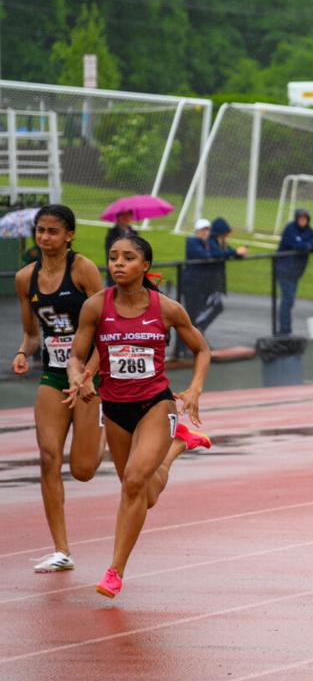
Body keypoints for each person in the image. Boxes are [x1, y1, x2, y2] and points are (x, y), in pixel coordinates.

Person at [67, 233, 212, 599]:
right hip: (114, 409)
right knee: (142, 495)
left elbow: (201, 349)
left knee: (133, 482)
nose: (118, 263)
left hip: (155, 404)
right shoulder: (96, 307)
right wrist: (76, 376)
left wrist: (194, 388)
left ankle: (115, 570)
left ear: (145, 265)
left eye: (128, 257)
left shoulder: (166, 309)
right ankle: (178, 446)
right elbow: (76, 355)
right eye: (113, 257)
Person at [11, 204, 107, 573]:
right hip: (53, 374)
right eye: (40, 230)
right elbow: (33, 333)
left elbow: (107, 326)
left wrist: (86, 373)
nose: (44, 238)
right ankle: (61, 550)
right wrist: (23, 352)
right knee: (49, 457)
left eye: (52, 231)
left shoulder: (82, 270)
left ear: (69, 235)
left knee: (82, 470)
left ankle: (106, 425)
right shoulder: (25, 279)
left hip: (89, 374)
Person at [179, 218, 246, 357]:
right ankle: (183, 347)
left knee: (195, 315)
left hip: (202, 284)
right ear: (197, 231)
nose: (206, 232)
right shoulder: (193, 242)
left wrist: (236, 253)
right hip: (192, 284)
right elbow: (206, 256)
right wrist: (231, 253)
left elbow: (219, 253)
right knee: (190, 317)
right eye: (203, 230)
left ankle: (192, 343)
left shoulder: (206, 243)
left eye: (207, 229)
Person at [274, 209, 313, 336]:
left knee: (289, 300)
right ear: (297, 219)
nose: (303, 221)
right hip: (284, 269)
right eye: (300, 219)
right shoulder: (290, 229)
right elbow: (299, 246)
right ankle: (284, 330)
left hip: (296, 272)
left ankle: (285, 329)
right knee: (288, 300)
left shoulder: (309, 231)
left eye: (305, 219)